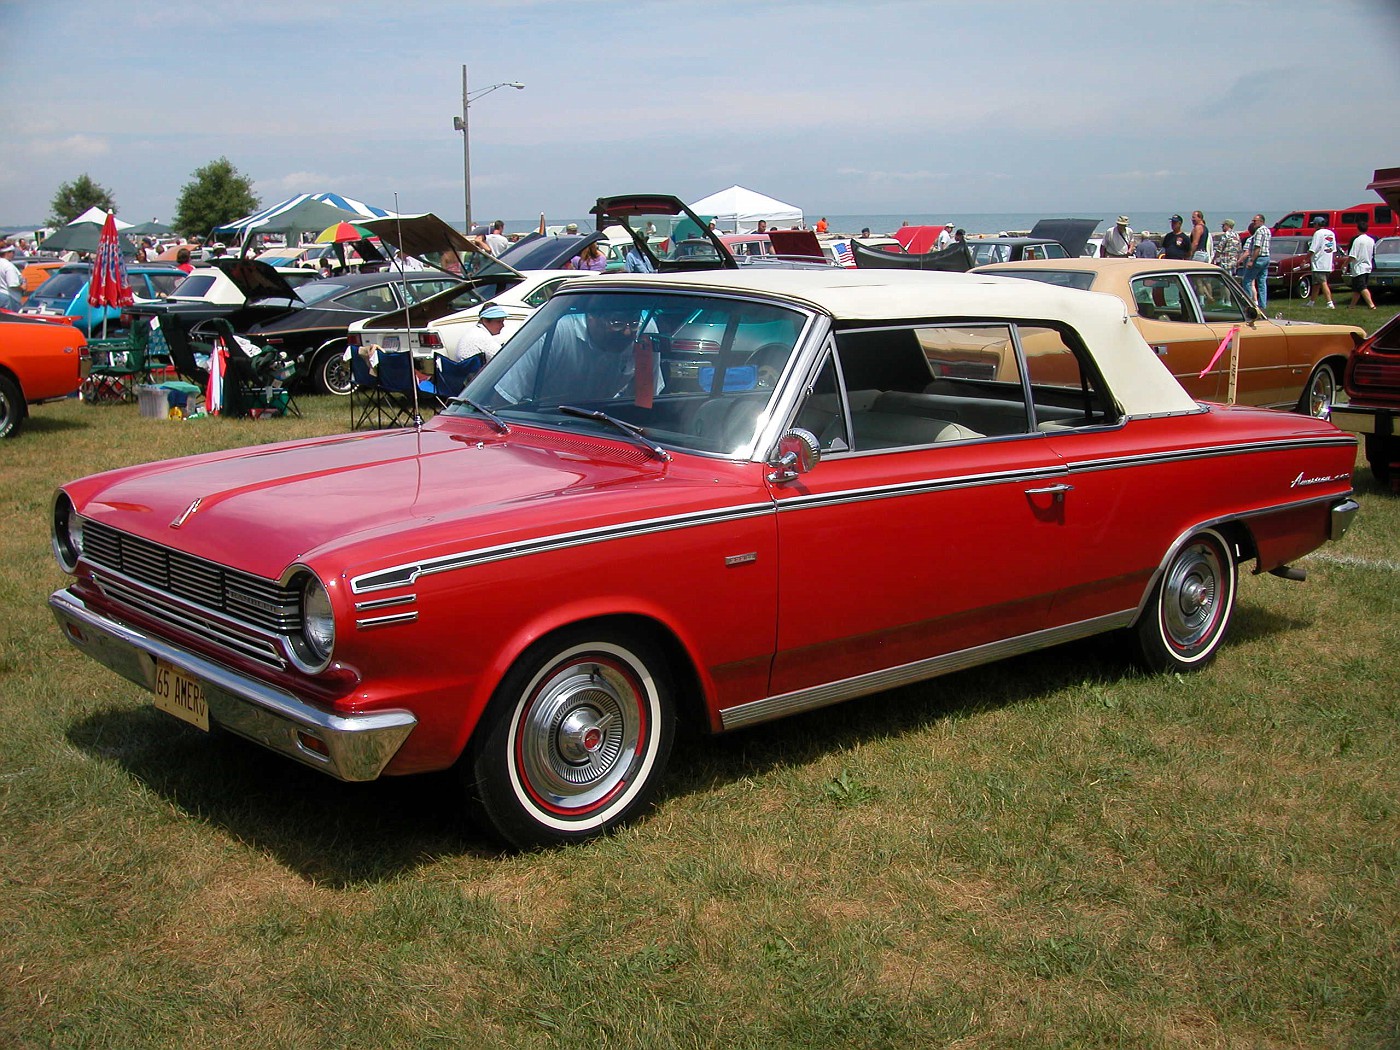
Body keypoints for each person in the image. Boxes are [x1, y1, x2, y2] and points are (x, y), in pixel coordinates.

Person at [496, 303, 660, 404]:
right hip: (544, 423)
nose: (627, 332)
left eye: (633, 323)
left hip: (607, 424)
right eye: (617, 324)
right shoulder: (551, 330)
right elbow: (504, 398)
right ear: (591, 316)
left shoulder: (644, 331)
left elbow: (644, 398)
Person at [1239, 214, 1271, 309]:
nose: (1253, 223)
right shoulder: (1267, 230)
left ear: (1261, 221)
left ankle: (1249, 304)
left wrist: (1252, 260)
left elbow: (1257, 247)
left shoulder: (1259, 231)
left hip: (1259, 258)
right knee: (1262, 281)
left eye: (1255, 221)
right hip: (1266, 257)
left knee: (1247, 280)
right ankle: (1262, 305)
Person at [1347, 218, 1377, 309]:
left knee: (1362, 287)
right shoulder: (1371, 240)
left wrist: (1345, 264)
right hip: (1367, 266)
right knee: (1357, 289)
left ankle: (1371, 305)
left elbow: (1353, 255)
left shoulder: (1357, 240)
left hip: (1359, 267)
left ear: (1358, 228)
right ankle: (1352, 306)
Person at [1307, 219, 1338, 308]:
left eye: (1314, 224)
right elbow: (1333, 249)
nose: (1313, 226)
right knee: (1316, 283)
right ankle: (1311, 302)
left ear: (1317, 224)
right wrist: (1332, 262)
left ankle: (1329, 303)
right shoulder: (1331, 233)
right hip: (1327, 263)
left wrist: (1305, 260)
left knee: (1323, 283)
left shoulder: (1318, 233)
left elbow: (1313, 249)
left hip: (1319, 263)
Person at [0, 243, 22, 310]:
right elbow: (13, 284)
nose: (13, 255)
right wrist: (22, 287)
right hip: (9, 297)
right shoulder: (8, 266)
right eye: (13, 252)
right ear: (8, 253)